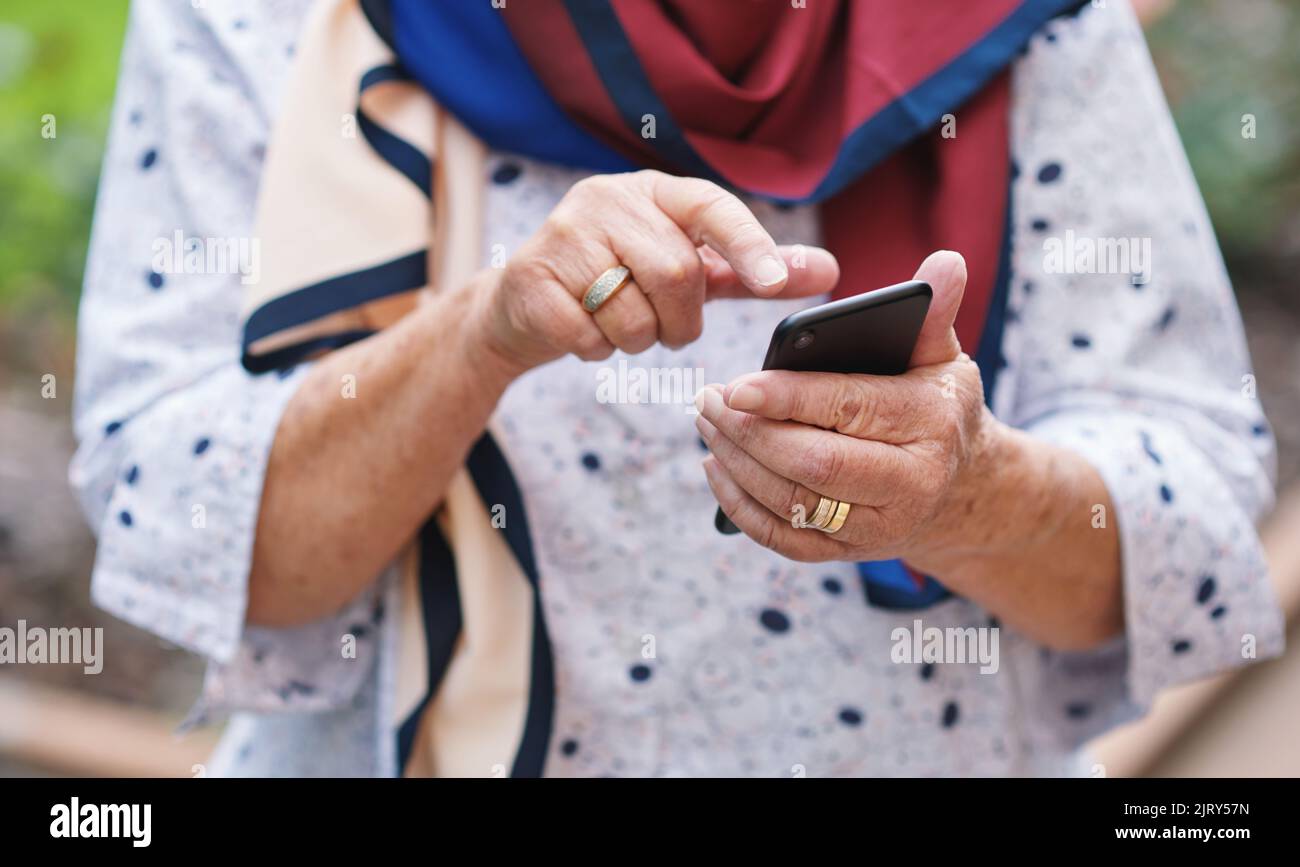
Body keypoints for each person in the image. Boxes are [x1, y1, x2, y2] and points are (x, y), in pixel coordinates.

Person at [71, 0, 1282, 777]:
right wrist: (479, 336)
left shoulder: (1025, 21)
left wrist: (970, 495)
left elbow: (1195, 521)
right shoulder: (261, 20)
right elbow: (181, 520)